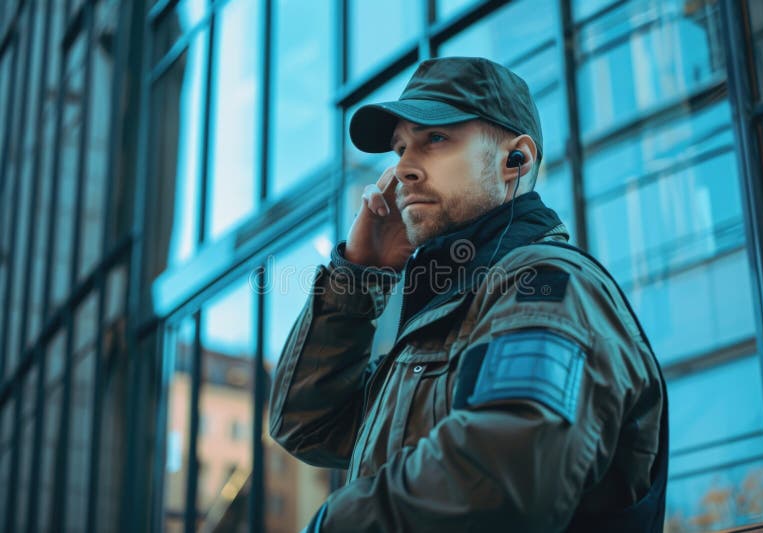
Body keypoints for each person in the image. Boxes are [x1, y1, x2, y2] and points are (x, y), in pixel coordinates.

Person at [269, 56, 668, 532]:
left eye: (435, 139)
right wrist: (358, 276)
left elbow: (499, 483)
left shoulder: (545, 284)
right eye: (399, 150)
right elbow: (306, 426)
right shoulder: (445, 317)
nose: (405, 170)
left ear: (513, 159)